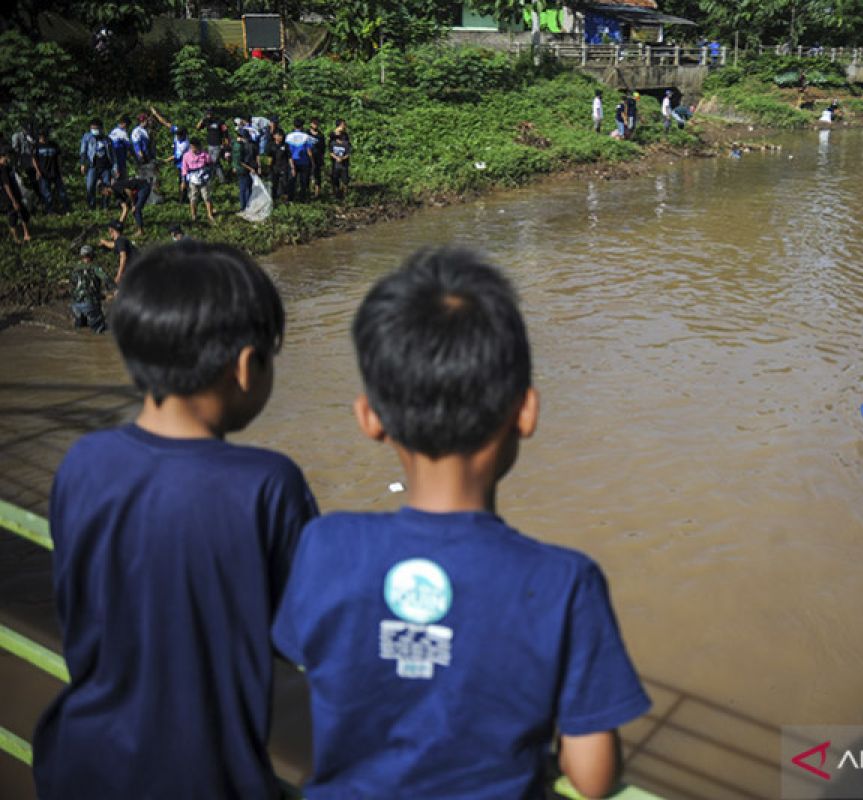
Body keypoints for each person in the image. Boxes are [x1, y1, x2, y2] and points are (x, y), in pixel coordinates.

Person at [271, 247, 650, 799]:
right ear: (526, 411)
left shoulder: (325, 547)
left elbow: (292, 687)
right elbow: (593, 780)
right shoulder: (563, 582)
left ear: (369, 418)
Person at [32, 241, 319, 800]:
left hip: (78, 762)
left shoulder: (83, 463)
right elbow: (306, 631)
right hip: (207, 778)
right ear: (244, 365)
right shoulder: (267, 483)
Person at [68, 245, 114, 333]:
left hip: (75, 305)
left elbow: (73, 286)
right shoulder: (95, 268)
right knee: (100, 330)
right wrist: (115, 289)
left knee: (80, 329)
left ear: (81, 256)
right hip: (90, 304)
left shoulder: (75, 269)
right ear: (92, 256)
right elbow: (106, 279)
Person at [150, 106, 190, 203]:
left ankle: (182, 200)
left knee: (183, 181)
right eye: (177, 134)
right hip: (178, 163)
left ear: (184, 135)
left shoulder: (184, 144)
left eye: (180, 135)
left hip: (184, 164)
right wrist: (156, 114)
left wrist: (164, 161)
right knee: (181, 181)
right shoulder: (177, 131)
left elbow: (175, 156)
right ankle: (184, 196)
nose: (178, 136)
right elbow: (166, 123)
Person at [79, 118, 115, 209]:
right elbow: (83, 151)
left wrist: (115, 167)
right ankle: (91, 205)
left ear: (101, 128)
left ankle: (105, 206)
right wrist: (83, 164)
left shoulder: (107, 139)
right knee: (90, 186)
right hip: (92, 166)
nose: (94, 130)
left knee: (106, 186)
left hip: (106, 167)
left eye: (96, 128)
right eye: (92, 128)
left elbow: (112, 155)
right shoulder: (87, 137)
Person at [0, 146, 33, 243]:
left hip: (16, 194)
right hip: (7, 197)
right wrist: (13, 200)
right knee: (12, 216)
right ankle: (16, 239)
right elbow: (6, 186)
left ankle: (26, 234)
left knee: (23, 213)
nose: (9, 158)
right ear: (3, 156)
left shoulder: (8, 167)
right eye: (8, 156)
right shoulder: (2, 169)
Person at [33, 129, 70, 215]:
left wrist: (61, 171)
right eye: (42, 136)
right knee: (47, 194)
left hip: (55, 171)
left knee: (62, 192)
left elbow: (58, 158)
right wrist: (37, 171)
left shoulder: (54, 145)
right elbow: (34, 160)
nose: (43, 137)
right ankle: (49, 210)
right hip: (43, 173)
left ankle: (66, 209)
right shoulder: (37, 146)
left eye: (44, 135)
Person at [181, 138, 216, 224]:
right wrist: (183, 181)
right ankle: (194, 215)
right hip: (192, 179)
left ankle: (210, 214)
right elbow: (184, 169)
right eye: (192, 147)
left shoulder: (204, 154)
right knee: (193, 198)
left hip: (204, 178)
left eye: (196, 147)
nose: (194, 149)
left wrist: (209, 173)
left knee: (207, 197)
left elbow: (211, 164)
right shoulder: (186, 156)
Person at [285, 118, 314, 202]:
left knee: (292, 181)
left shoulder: (289, 136)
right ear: (302, 126)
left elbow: (288, 151)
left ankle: (290, 199)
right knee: (303, 182)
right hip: (304, 162)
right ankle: (302, 199)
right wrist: (312, 162)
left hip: (292, 161)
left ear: (294, 126)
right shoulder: (306, 136)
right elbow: (309, 151)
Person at [196, 108, 228, 183]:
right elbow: (197, 128)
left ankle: (210, 179)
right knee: (216, 163)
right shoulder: (206, 121)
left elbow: (225, 131)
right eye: (207, 114)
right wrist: (203, 119)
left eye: (210, 113)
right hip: (210, 145)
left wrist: (225, 144)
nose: (208, 115)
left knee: (212, 162)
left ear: (213, 113)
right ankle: (222, 180)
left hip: (218, 145)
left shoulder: (219, 121)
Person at [232, 126, 260, 212]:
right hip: (247, 169)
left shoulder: (239, 145)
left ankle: (245, 206)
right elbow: (240, 161)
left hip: (246, 169)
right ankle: (246, 206)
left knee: (245, 188)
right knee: (247, 188)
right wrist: (255, 168)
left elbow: (238, 160)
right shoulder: (249, 145)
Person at [268, 129, 293, 203]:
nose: (280, 137)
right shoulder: (271, 145)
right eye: (278, 135)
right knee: (274, 184)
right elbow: (269, 157)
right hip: (274, 168)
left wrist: (292, 167)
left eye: (281, 135)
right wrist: (268, 167)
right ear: (274, 136)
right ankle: (273, 199)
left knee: (285, 184)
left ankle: (285, 200)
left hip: (284, 167)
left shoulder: (285, 145)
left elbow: (289, 157)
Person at [328, 119, 351, 200]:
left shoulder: (346, 140)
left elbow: (348, 152)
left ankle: (345, 195)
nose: (344, 126)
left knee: (345, 180)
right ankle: (336, 195)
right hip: (335, 164)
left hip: (344, 164)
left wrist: (342, 158)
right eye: (343, 124)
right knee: (335, 179)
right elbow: (330, 151)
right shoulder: (332, 140)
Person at [307, 118, 325, 199]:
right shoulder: (306, 133)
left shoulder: (320, 135)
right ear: (311, 124)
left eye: (317, 123)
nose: (315, 125)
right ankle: (308, 192)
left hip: (317, 158)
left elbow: (323, 149)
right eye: (314, 123)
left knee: (317, 176)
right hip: (307, 158)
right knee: (308, 175)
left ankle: (317, 194)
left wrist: (321, 159)